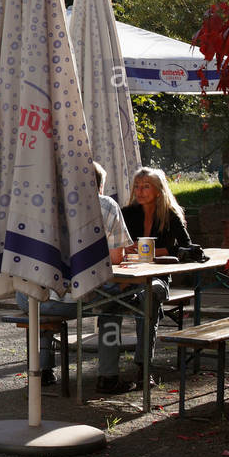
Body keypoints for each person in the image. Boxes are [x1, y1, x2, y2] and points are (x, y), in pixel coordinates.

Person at [17, 161, 131, 387]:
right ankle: (108, 376)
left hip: (27, 296)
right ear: (99, 186)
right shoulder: (106, 205)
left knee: (44, 287)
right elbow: (117, 258)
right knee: (114, 302)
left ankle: (44, 370)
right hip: (74, 297)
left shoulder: (44, 203)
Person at [96, 166, 192, 394]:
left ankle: (143, 367)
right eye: (137, 186)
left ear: (158, 190)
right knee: (111, 303)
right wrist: (137, 252)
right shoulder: (127, 213)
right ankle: (108, 374)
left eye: (145, 186)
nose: (140, 191)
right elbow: (118, 247)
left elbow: (186, 247)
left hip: (157, 278)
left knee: (148, 299)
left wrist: (150, 252)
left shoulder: (170, 214)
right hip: (128, 276)